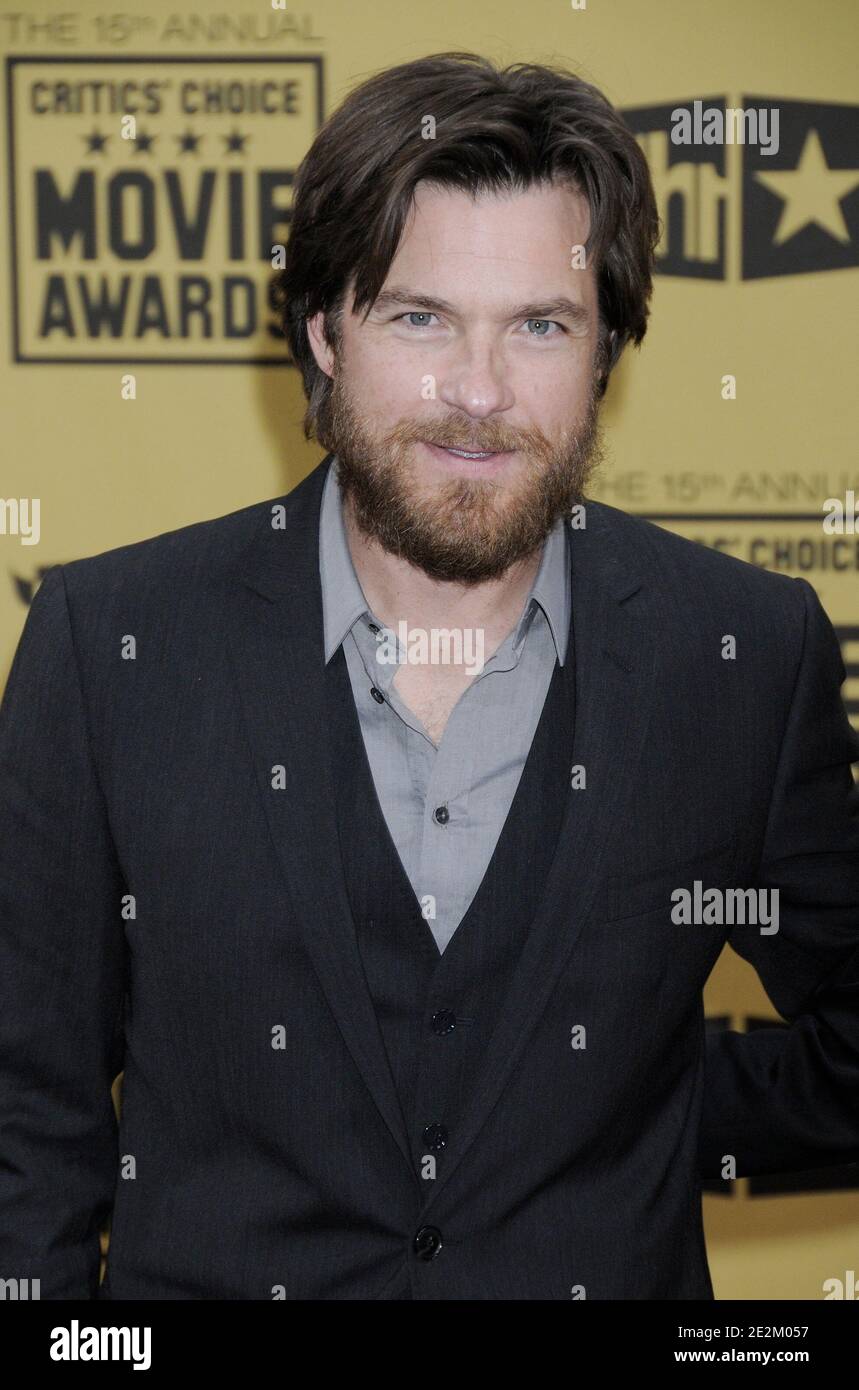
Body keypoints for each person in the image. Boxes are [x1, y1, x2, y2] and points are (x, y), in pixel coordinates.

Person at [1, 51, 857, 1301]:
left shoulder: (738, 653)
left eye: (541, 326)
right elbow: (30, 1118)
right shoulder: (110, 645)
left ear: (606, 350)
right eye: (419, 317)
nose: (477, 392)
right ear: (323, 331)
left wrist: (649, 1112)